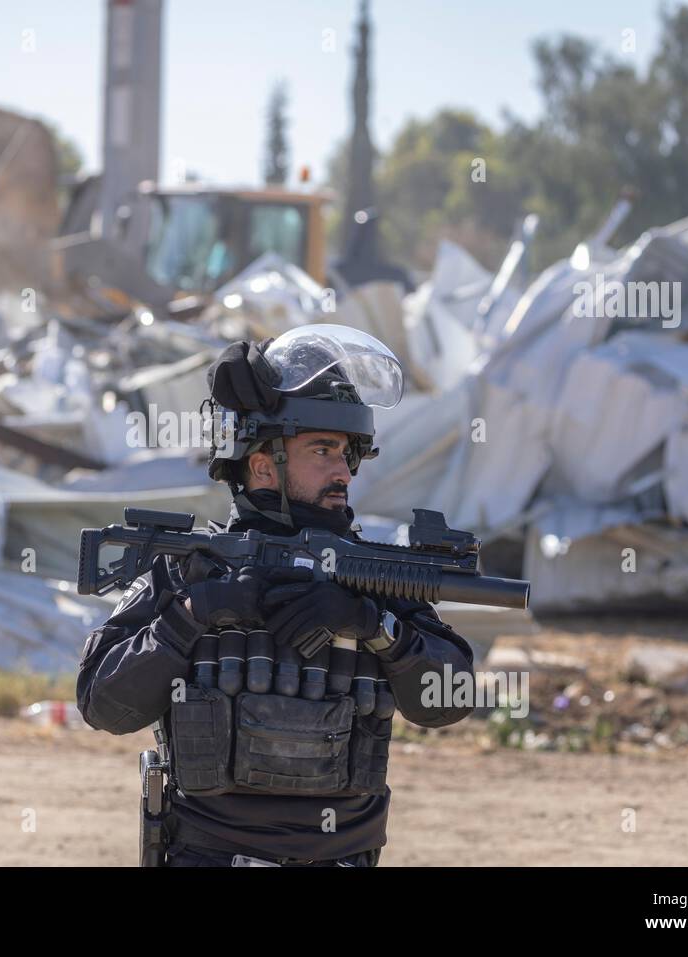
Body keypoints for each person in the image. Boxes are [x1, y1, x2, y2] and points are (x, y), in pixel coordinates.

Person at [76, 324, 477, 866]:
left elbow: (448, 703)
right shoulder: (192, 568)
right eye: (322, 450)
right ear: (263, 464)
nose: (344, 472)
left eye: (348, 453)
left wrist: (373, 626)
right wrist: (195, 615)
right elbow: (105, 706)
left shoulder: (376, 578)